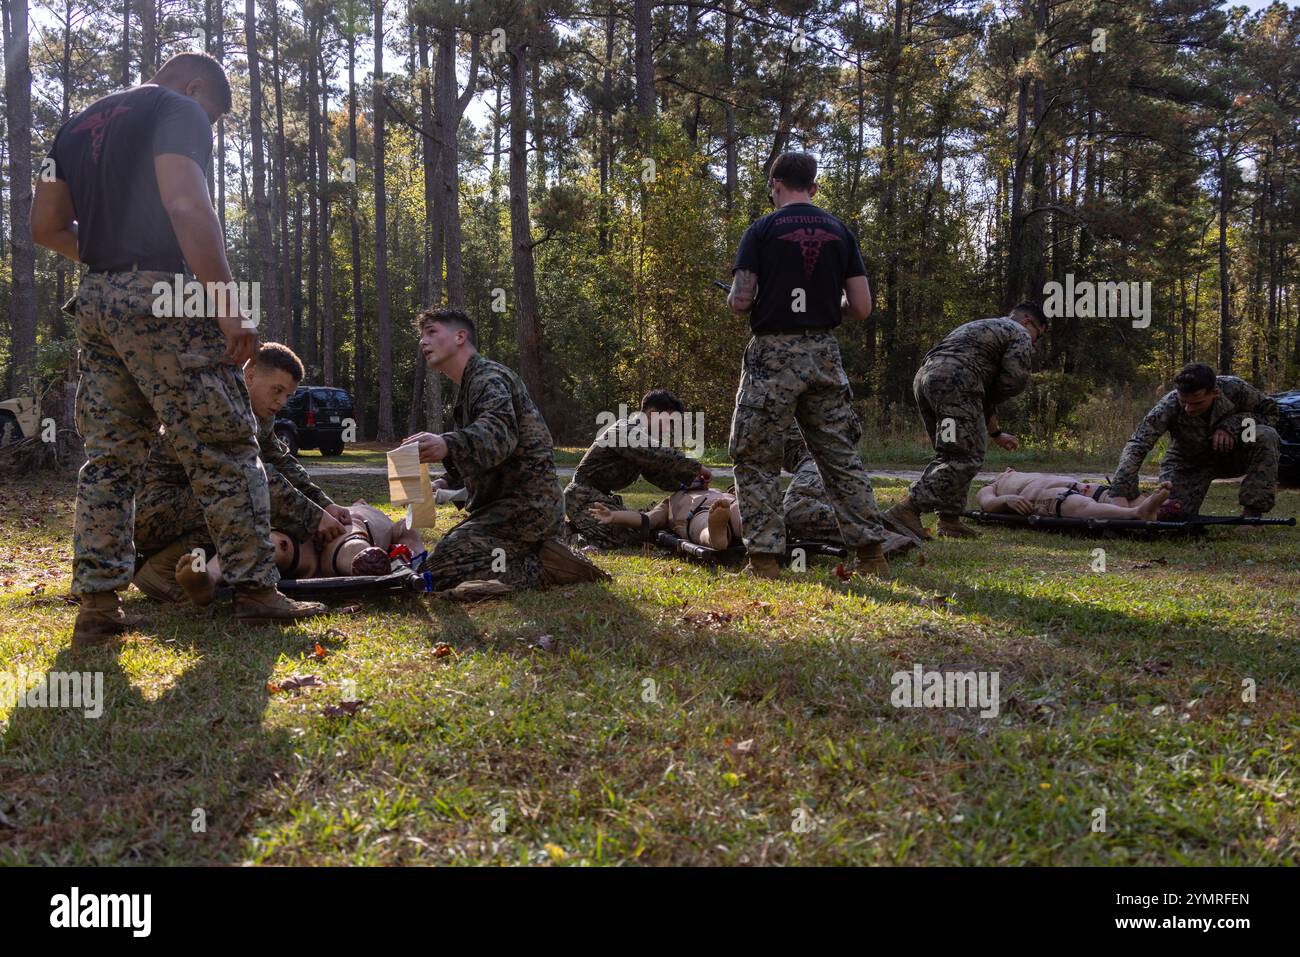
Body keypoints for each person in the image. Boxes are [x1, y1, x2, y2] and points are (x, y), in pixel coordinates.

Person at [32, 52, 324, 640]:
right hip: (166, 295)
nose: (208, 126)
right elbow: (187, 203)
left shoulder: (72, 127)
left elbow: (44, 226)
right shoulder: (178, 108)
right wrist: (226, 304)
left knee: (111, 460)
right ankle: (255, 590)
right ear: (196, 88)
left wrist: (110, 269)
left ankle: (97, 605)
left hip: (96, 302)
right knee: (223, 444)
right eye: (213, 116)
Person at [726, 151, 889, 580]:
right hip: (824, 354)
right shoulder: (841, 231)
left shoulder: (760, 230)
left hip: (772, 355)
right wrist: (822, 305)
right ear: (813, 187)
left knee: (756, 454)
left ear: (775, 184)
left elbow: (742, 300)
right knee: (838, 455)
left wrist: (740, 298)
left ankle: (763, 560)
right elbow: (861, 307)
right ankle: (871, 554)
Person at [400, 308, 607, 595]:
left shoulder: (488, 378)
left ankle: (546, 566)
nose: (423, 341)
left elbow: (499, 436)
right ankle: (537, 552)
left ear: (461, 336)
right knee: (435, 570)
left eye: (432, 332)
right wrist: (445, 482)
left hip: (526, 508)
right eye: (421, 335)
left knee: (436, 575)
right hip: (507, 508)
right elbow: (492, 458)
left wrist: (447, 443)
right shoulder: (472, 386)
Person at [130, 343, 353, 601]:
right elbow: (252, 478)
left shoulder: (258, 412)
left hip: (185, 502)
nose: (281, 402)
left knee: (250, 506)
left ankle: (166, 566)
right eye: (277, 390)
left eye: (287, 396)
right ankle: (163, 573)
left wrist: (324, 503)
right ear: (250, 376)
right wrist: (315, 518)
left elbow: (280, 462)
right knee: (241, 503)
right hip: (150, 509)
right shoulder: (221, 406)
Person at [883, 304, 1049, 541]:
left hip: (928, 379)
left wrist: (995, 433)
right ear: (1027, 322)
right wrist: (985, 397)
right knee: (964, 457)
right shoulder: (1018, 331)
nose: (1033, 344)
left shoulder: (985, 327)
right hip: (956, 381)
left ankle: (949, 519)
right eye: (1037, 337)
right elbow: (1015, 379)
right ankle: (907, 510)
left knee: (951, 453)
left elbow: (981, 390)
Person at [1110, 362, 1280, 518]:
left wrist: (1232, 425)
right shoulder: (1168, 405)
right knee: (1170, 514)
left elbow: (1272, 415)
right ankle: (1116, 503)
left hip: (1234, 455)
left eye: (1197, 403)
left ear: (1215, 393)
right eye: (1183, 402)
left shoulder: (1235, 389)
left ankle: (1252, 516)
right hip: (1188, 461)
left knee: (1266, 435)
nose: (1188, 408)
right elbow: (1138, 444)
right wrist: (1120, 490)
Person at [172, 501, 424, 606]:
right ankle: (364, 561)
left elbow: (407, 531)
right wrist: (410, 556)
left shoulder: (353, 509)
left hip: (325, 532)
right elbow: (408, 530)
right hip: (337, 532)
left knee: (268, 542)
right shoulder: (365, 511)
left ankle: (211, 575)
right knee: (348, 545)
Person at [565, 389, 711, 548]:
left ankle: (582, 526)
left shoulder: (642, 439)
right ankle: (566, 534)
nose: (670, 428)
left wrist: (688, 484)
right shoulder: (623, 430)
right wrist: (696, 468)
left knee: (641, 529)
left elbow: (657, 474)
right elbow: (657, 454)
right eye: (669, 421)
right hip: (581, 496)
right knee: (628, 538)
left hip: (597, 496)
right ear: (652, 414)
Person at [781, 427, 917, 556]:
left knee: (795, 509)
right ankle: (876, 525)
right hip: (823, 458)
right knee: (778, 506)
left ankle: (877, 537)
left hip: (818, 459)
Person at [975, 468, 1172, 521]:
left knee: (1110, 496)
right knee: (1081, 506)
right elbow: (987, 503)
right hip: (1037, 495)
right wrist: (1006, 499)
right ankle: (1137, 513)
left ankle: (1153, 506)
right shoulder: (993, 483)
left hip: (1076, 484)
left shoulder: (1019, 473)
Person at [588, 488, 743, 549]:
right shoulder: (669, 501)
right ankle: (715, 537)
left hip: (731, 504)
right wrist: (614, 515)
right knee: (703, 527)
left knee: (739, 513)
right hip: (696, 514)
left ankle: (747, 529)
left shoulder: (716, 491)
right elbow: (645, 519)